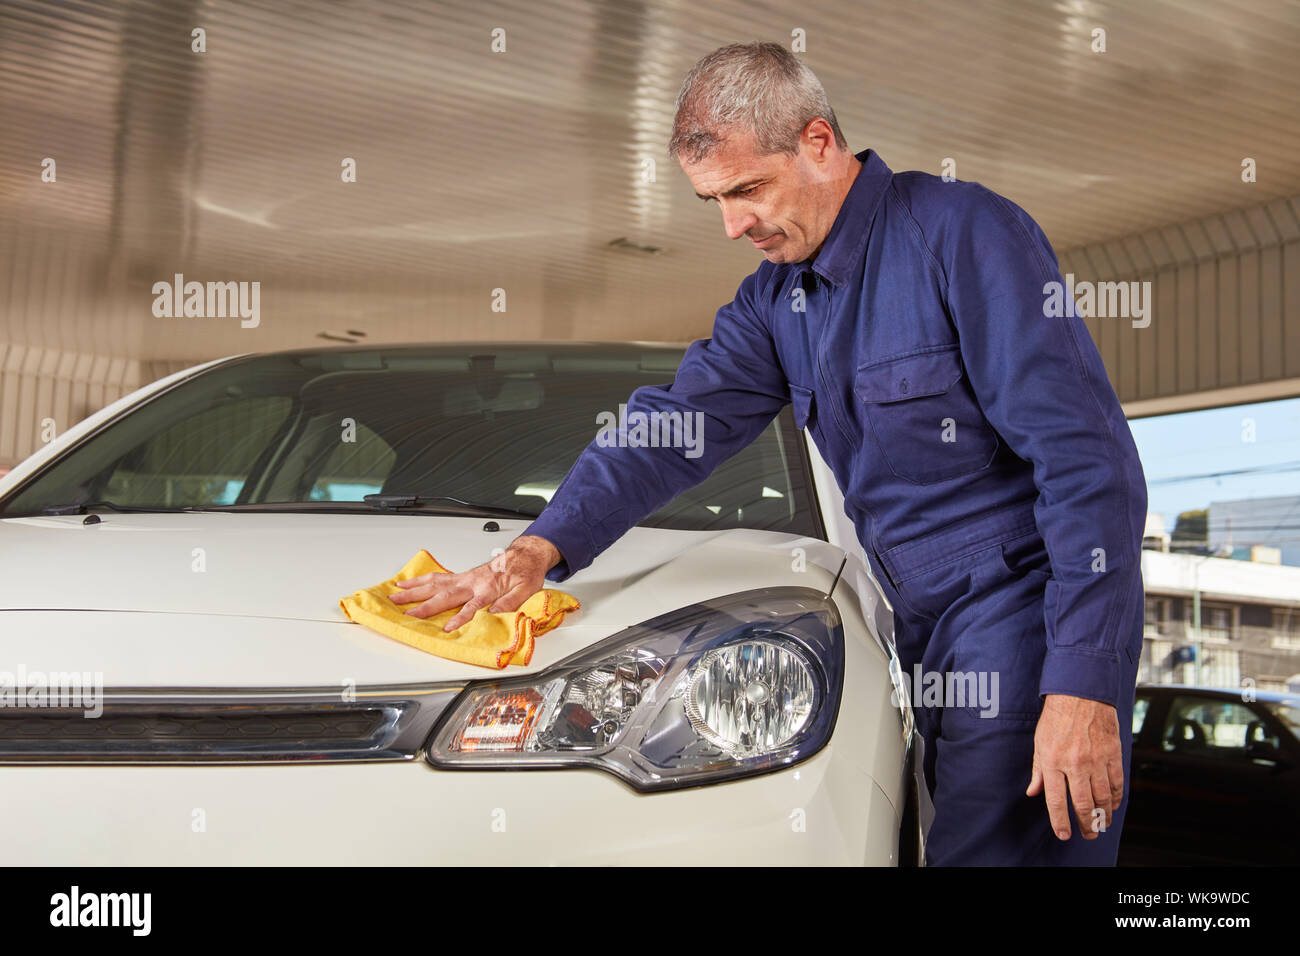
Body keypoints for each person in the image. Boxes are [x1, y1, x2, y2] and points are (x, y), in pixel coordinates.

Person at [390, 41, 1147, 865]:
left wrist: (1080, 682)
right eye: (714, 200)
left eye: (748, 189)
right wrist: (537, 550)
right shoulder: (775, 303)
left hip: (1025, 618)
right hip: (927, 631)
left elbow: (1089, 466)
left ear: (818, 144)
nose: (732, 224)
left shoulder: (961, 235)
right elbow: (669, 428)